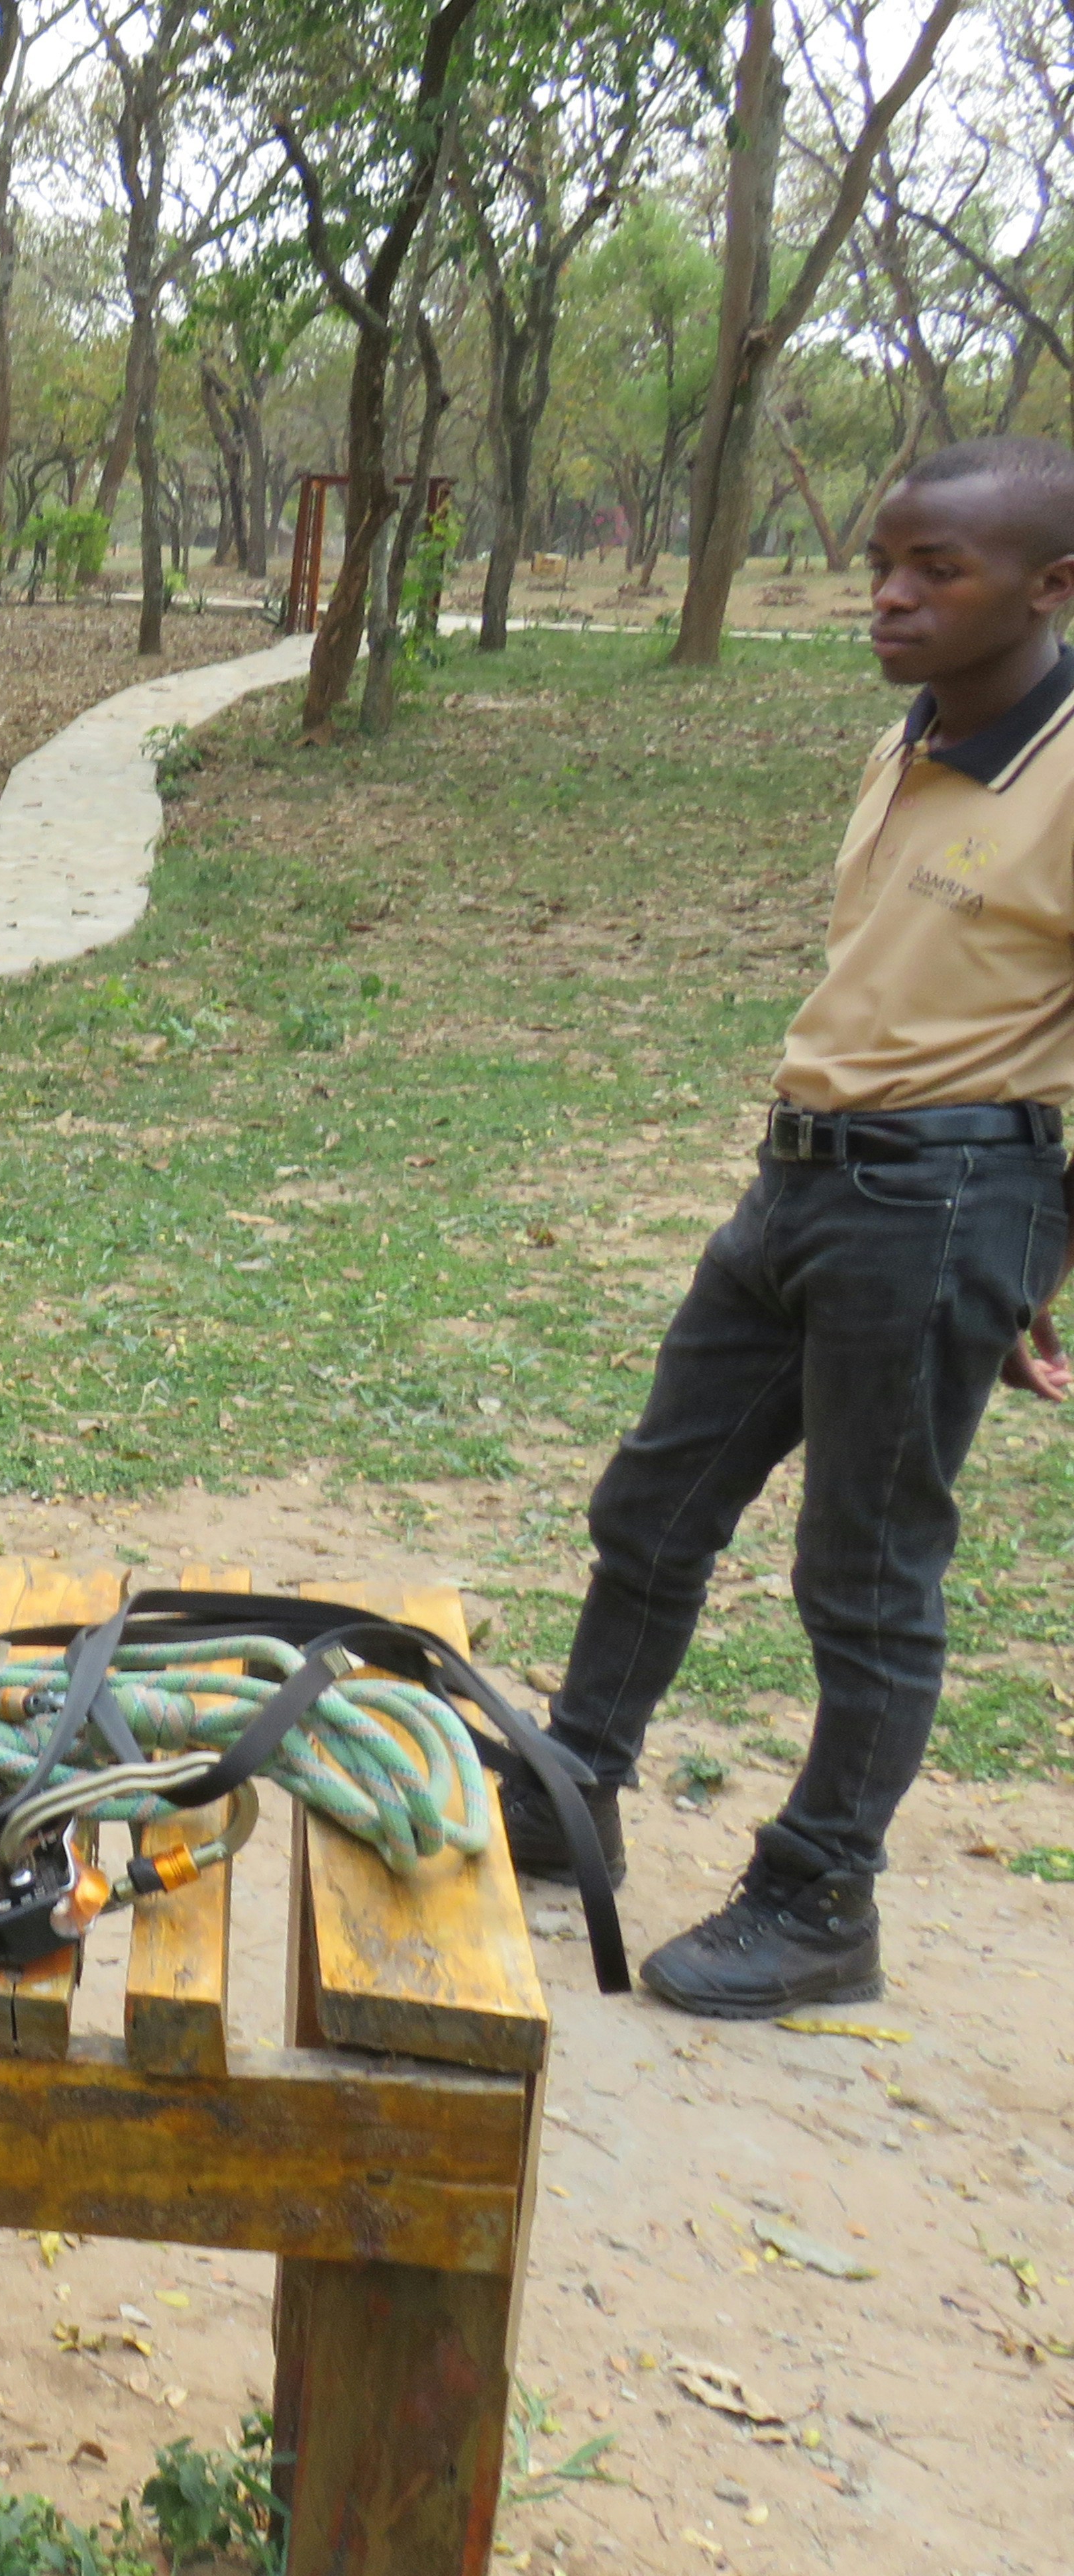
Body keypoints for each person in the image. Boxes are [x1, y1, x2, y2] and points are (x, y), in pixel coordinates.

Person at [504, 434, 1074, 2018]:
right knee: (656, 1501)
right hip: (808, 1178)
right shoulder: (916, 737)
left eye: (933, 571)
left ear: (1053, 586)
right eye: (883, 560)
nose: (887, 595)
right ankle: (575, 1789)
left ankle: (823, 1897)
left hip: (946, 1195)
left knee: (867, 1573)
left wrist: (1031, 1248)